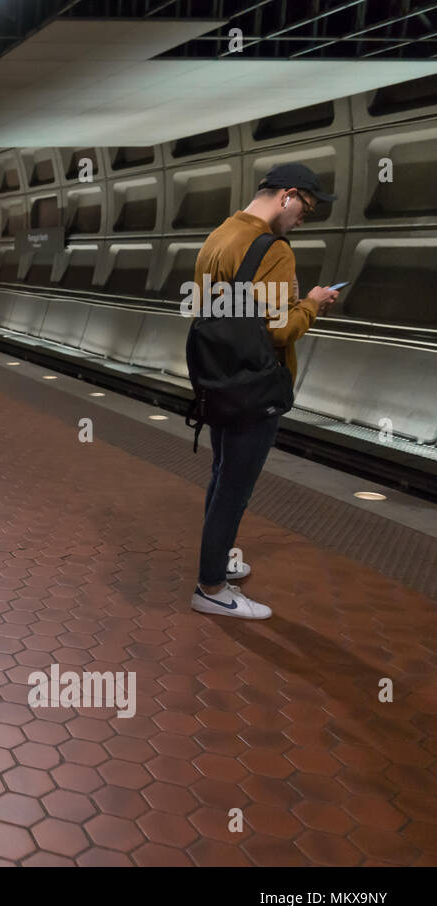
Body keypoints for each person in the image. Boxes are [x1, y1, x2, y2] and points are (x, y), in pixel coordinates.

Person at [191, 163, 340, 620]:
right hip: (256, 385)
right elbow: (277, 331)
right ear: (287, 195)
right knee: (235, 485)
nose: (301, 220)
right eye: (305, 211)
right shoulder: (275, 250)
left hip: (219, 378)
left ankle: (219, 559)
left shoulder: (220, 235)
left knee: (222, 474)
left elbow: (211, 309)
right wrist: (311, 305)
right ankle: (211, 588)